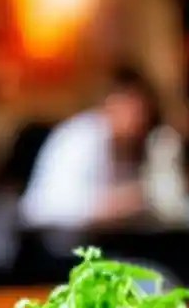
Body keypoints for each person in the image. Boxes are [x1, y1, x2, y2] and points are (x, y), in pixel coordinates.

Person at [19, 66, 160, 229]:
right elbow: (50, 207)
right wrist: (123, 201)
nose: (140, 120)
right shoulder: (82, 137)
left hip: (93, 237)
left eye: (143, 112)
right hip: (48, 236)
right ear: (111, 103)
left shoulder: (131, 145)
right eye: (134, 110)